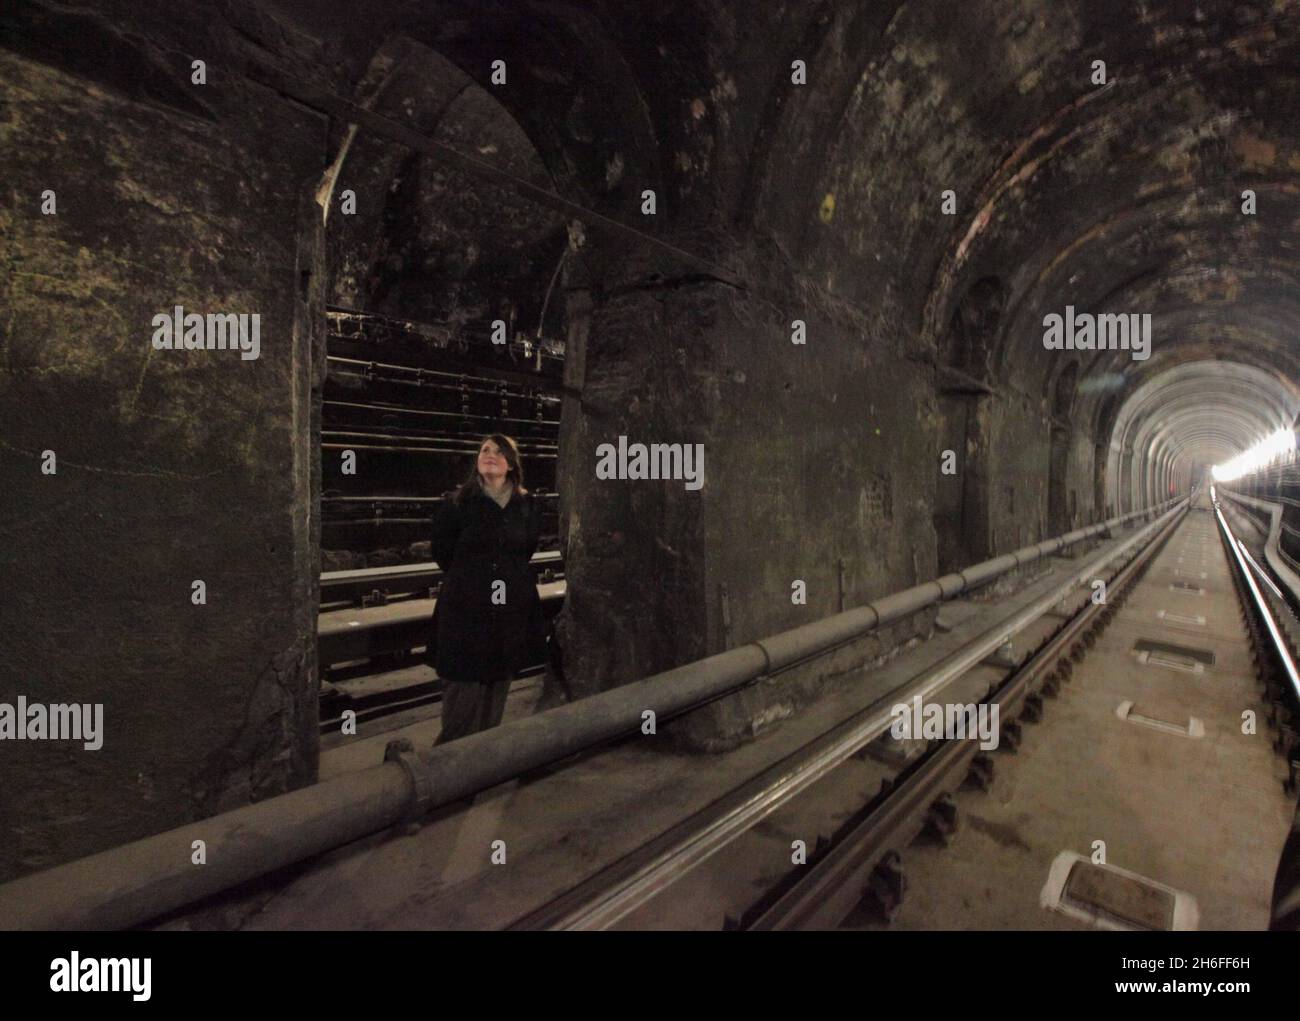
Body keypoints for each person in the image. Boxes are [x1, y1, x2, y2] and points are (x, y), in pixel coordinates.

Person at [427, 434, 544, 744]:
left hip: (507, 616)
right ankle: (448, 780)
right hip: (464, 614)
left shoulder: (527, 505)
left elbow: (523, 552)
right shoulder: (456, 504)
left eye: (499, 451)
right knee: (460, 712)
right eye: (485, 450)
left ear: (511, 463)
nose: (490, 454)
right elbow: (443, 553)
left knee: (494, 708)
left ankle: (479, 775)